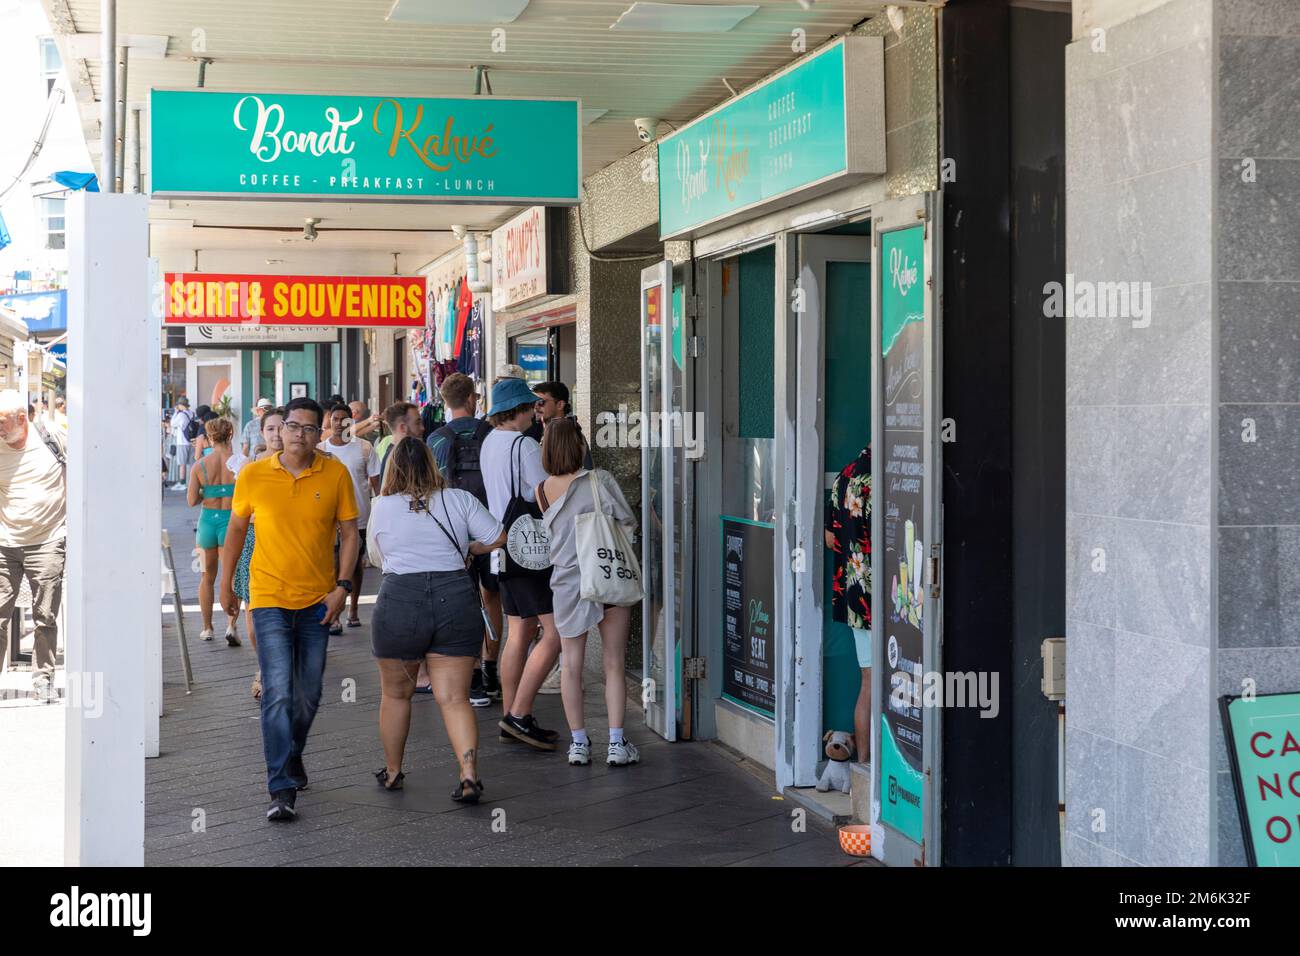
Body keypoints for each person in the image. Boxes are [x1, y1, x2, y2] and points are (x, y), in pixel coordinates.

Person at [220, 396, 360, 822]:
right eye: (292, 426)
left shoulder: (335, 472)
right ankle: (280, 786)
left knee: (309, 694)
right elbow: (237, 528)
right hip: (267, 597)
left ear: (321, 433)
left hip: (318, 599)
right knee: (278, 691)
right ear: (279, 429)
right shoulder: (255, 475)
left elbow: (350, 534)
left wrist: (342, 587)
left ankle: (292, 752)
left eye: (308, 428)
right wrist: (226, 585)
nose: (298, 435)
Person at [367, 437, 505, 801]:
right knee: (455, 698)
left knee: (396, 695)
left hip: (400, 600)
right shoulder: (459, 499)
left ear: (392, 468)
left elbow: (378, 558)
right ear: (433, 463)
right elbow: (498, 536)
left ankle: (394, 772)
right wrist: (468, 548)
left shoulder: (380, 506)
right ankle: (469, 772)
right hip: (455, 598)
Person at [537, 418, 640, 767]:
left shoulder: (542, 490)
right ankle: (616, 742)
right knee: (614, 662)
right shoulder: (601, 481)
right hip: (606, 574)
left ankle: (578, 743)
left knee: (571, 665)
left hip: (567, 584)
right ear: (579, 444)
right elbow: (628, 522)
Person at [479, 377, 561, 750]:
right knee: (555, 634)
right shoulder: (523, 445)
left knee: (520, 632)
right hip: (531, 549)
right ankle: (519, 713)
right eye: (532, 406)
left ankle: (513, 714)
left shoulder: (490, 442)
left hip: (502, 548)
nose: (536, 411)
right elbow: (543, 493)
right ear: (519, 410)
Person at [427, 373, 499, 707]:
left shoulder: (436, 440)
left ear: (445, 401)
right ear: (472, 398)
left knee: (464, 604)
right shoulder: (492, 435)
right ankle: (492, 669)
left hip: (453, 536)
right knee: (494, 598)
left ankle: (472, 679)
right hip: (495, 532)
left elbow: (431, 492)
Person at [0, 390, 66, 699]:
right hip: (4, 542)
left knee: (45, 615)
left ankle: (44, 680)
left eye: (3, 423)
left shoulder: (52, 437)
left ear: (22, 420)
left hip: (47, 540)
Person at [525, 381, 589, 695]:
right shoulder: (533, 438)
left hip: (571, 559)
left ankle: (577, 735)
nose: (537, 408)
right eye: (534, 403)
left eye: (543, 402)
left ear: (561, 404)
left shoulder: (571, 442)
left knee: (567, 639)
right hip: (570, 556)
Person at [231, 407, 285, 700]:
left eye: (281, 428)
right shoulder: (250, 469)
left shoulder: (301, 465)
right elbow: (238, 518)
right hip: (254, 541)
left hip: (288, 543)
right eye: (271, 429)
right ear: (261, 433)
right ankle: (264, 666)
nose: (277, 435)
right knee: (253, 610)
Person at [825, 443, 872, 763]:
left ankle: (865, 767)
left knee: (868, 681)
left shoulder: (844, 477)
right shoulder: (888, 476)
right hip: (897, 596)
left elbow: (831, 539)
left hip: (856, 596)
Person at [319, 402, 380, 632]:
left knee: (355, 566)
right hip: (329, 520)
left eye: (344, 419)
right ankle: (335, 614)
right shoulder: (320, 450)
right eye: (335, 419)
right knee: (333, 566)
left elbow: (377, 485)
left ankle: (353, 609)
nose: (338, 423)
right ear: (329, 421)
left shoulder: (364, 448)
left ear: (350, 422)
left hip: (359, 518)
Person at [187, 417, 240, 644]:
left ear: (209, 437)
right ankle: (231, 626)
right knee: (232, 575)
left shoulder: (199, 466)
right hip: (231, 523)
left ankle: (207, 628)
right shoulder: (239, 462)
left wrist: (208, 493)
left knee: (206, 577)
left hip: (207, 523)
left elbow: (191, 501)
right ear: (230, 435)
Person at [378, 401, 423, 479]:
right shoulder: (399, 459)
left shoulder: (399, 454)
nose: (422, 428)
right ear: (403, 427)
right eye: (417, 423)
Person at [169, 398, 194, 490]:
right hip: (191, 441)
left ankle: (182, 483)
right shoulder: (191, 413)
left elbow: (172, 424)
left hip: (182, 442)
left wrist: (175, 412)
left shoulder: (181, 415)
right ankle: (191, 483)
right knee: (192, 463)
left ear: (180, 405)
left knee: (182, 463)